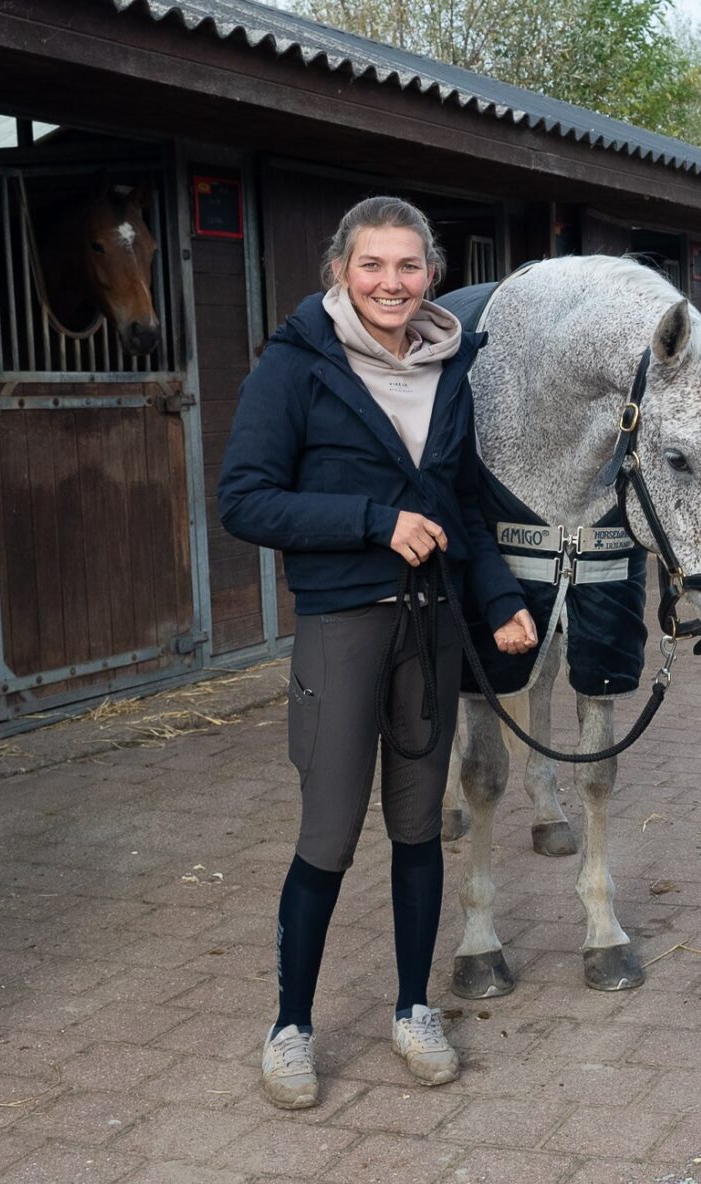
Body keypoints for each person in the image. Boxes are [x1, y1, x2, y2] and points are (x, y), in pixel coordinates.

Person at [219, 196, 539, 1110]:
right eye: (373, 266)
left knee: (416, 829)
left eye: (408, 267)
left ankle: (411, 1007)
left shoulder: (450, 364)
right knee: (327, 835)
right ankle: (291, 1026)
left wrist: (503, 599)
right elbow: (244, 498)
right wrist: (371, 522)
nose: (391, 284)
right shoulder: (295, 367)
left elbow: (463, 504)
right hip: (343, 627)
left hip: (432, 626)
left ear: (430, 274)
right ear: (339, 270)